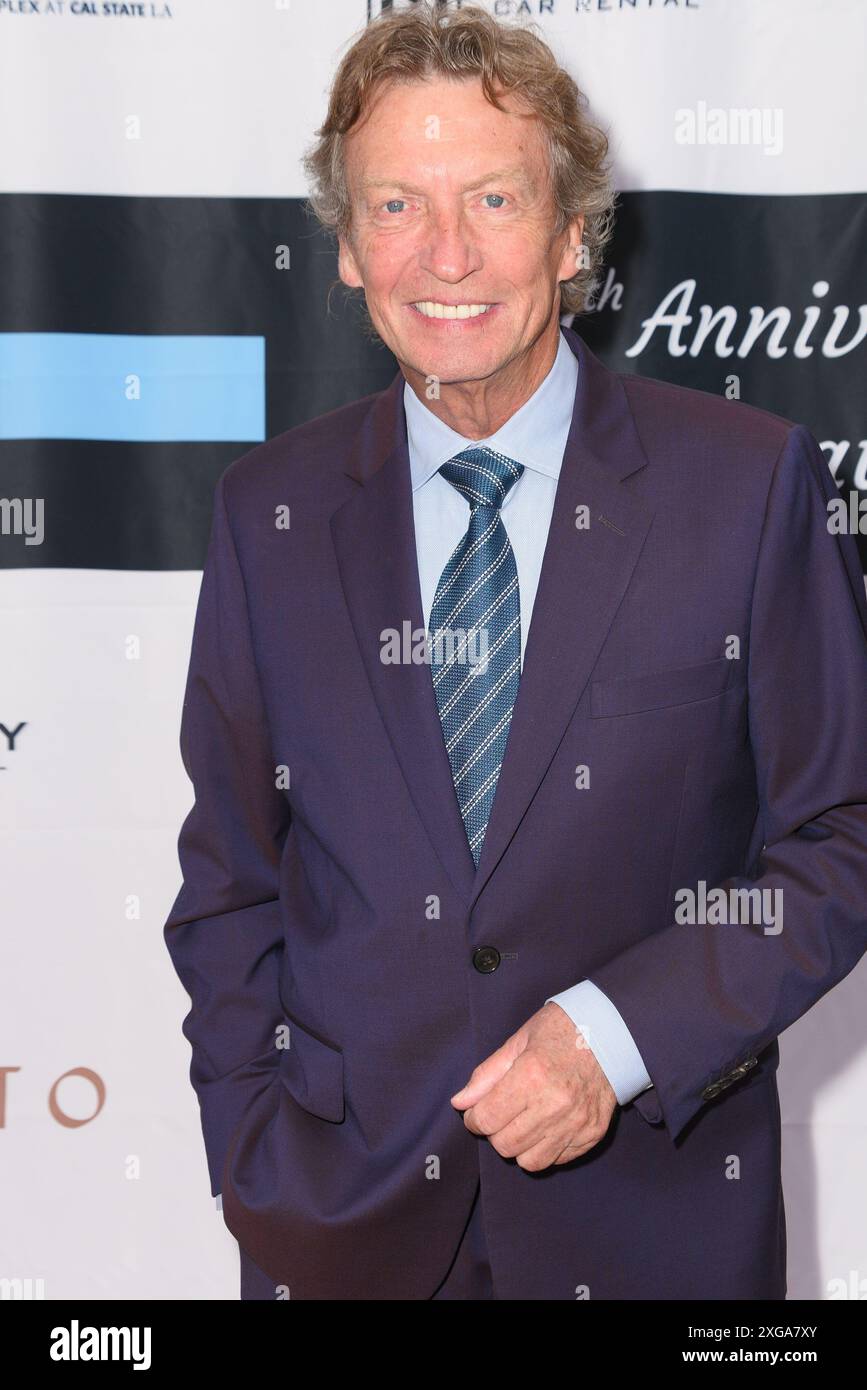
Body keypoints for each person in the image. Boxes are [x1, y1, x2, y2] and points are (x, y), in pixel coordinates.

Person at [163, 3, 867, 1300]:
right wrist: (250, 1159)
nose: (446, 254)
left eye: (492, 198)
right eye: (395, 206)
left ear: (571, 233)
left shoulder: (746, 484)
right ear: (345, 249)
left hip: (658, 1242)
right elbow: (232, 886)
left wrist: (617, 1038)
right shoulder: (268, 515)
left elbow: (842, 838)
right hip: (337, 1235)